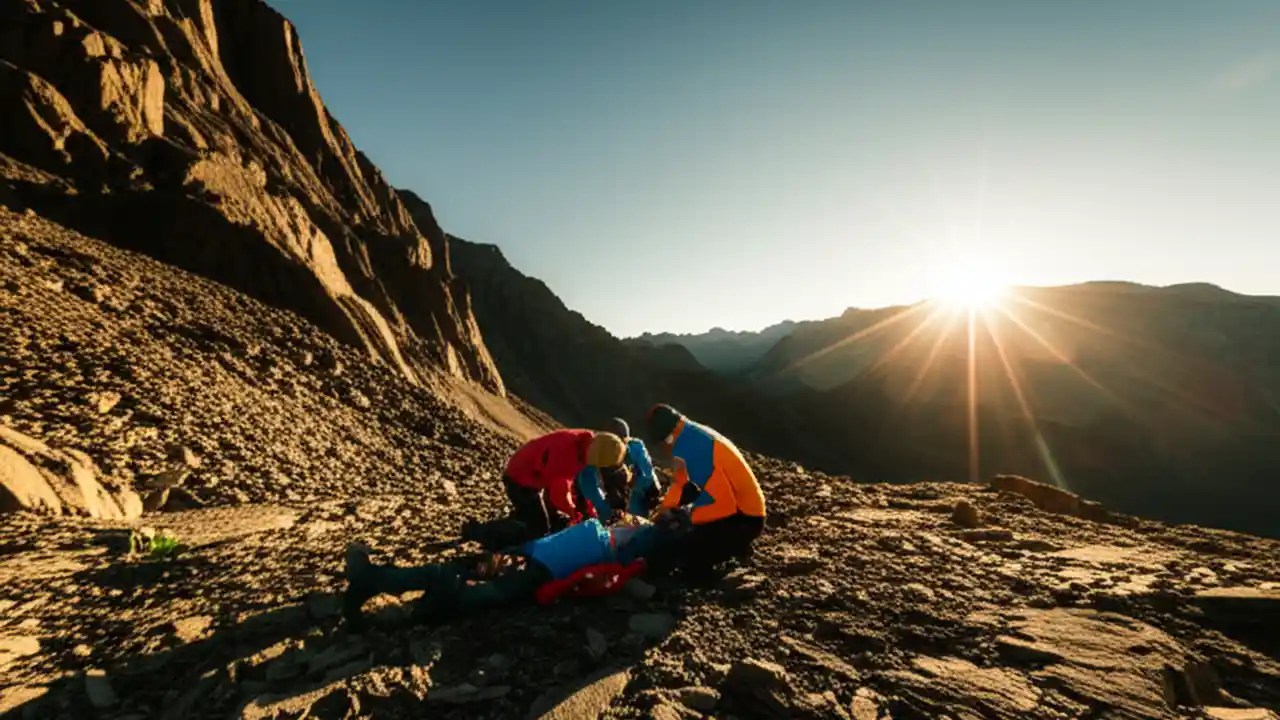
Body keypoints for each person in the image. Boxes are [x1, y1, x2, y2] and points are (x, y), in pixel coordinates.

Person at [343, 513, 687, 627]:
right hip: (542, 564)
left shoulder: (627, 535)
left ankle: (375, 583)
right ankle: (377, 589)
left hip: (537, 553)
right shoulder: (643, 542)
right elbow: (625, 573)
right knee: (467, 594)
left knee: (467, 575)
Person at [644, 404, 766, 574]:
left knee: (685, 549)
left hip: (746, 519)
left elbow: (724, 505)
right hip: (742, 510)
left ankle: (730, 548)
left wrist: (689, 518)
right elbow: (680, 482)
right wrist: (663, 512)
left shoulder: (694, 449)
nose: (662, 450)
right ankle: (734, 546)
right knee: (679, 520)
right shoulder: (688, 434)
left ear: (668, 438)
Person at [498, 429, 628, 540]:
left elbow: (588, 483)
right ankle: (497, 540)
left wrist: (592, 512)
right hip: (520, 479)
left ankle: (518, 521)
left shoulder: (584, 444)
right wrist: (572, 512)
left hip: (530, 475)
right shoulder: (569, 451)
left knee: (540, 514)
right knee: (540, 529)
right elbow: (559, 491)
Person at [603, 417, 663, 518]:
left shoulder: (636, 448)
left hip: (638, 502)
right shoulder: (602, 454)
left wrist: (632, 482)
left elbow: (648, 476)